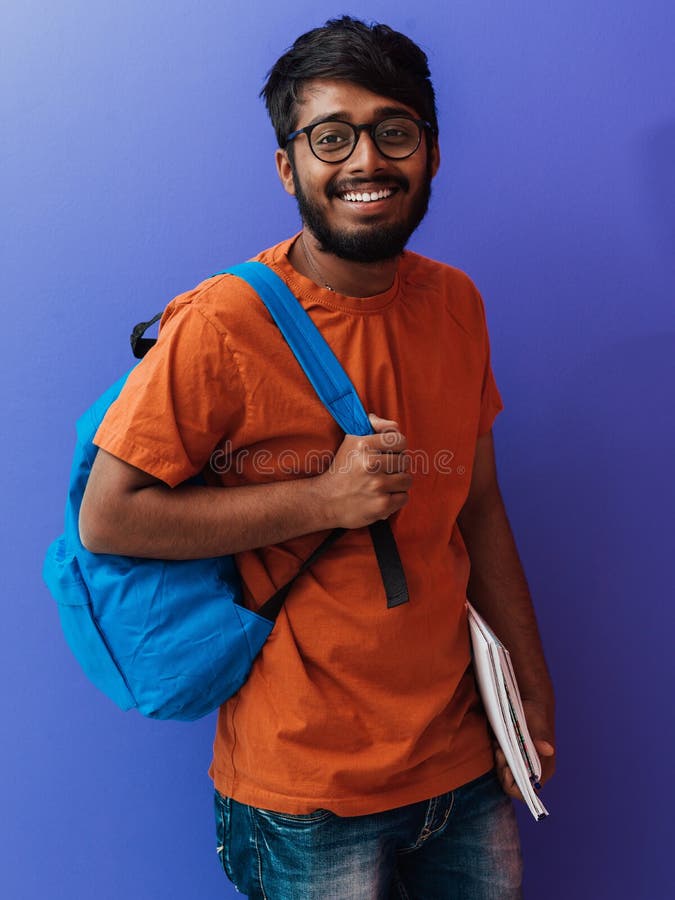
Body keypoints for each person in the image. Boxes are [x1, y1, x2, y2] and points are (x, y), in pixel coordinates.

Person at [79, 15, 555, 899]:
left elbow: (479, 507)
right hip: (303, 788)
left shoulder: (456, 303)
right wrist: (322, 500)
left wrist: (526, 687)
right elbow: (109, 517)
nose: (366, 161)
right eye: (330, 137)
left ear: (431, 153)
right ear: (287, 166)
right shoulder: (223, 322)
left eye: (393, 132)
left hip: (460, 756)